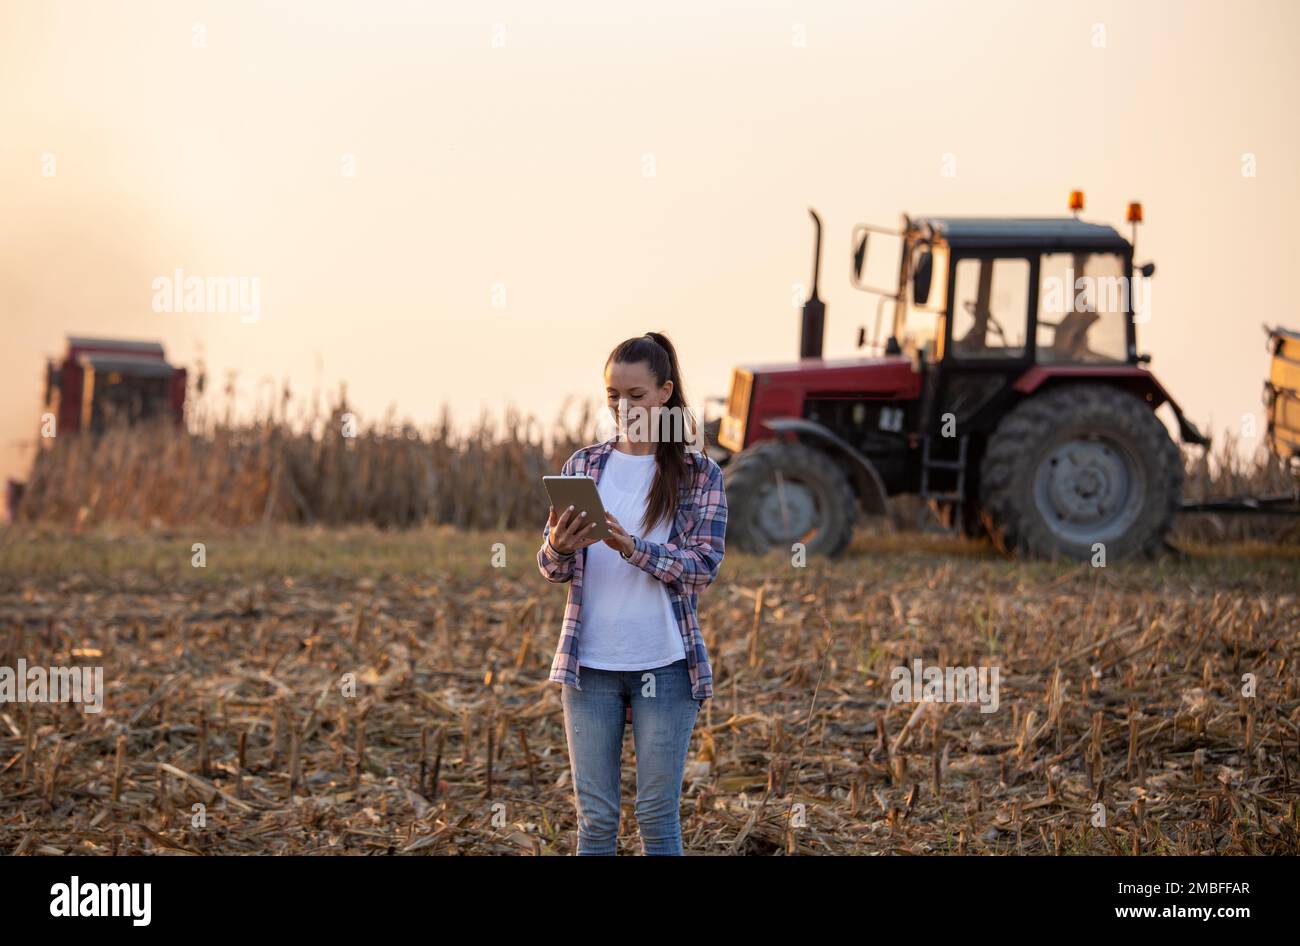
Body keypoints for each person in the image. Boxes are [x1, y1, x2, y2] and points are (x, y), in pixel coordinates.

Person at [536, 331, 727, 855]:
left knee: (657, 819)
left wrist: (633, 547)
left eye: (635, 396)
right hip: (590, 665)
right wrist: (558, 545)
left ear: (665, 392)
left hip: (665, 666)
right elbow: (552, 570)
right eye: (612, 396)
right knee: (595, 822)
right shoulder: (583, 467)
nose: (622, 407)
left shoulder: (697, 474)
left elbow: (702, 567)